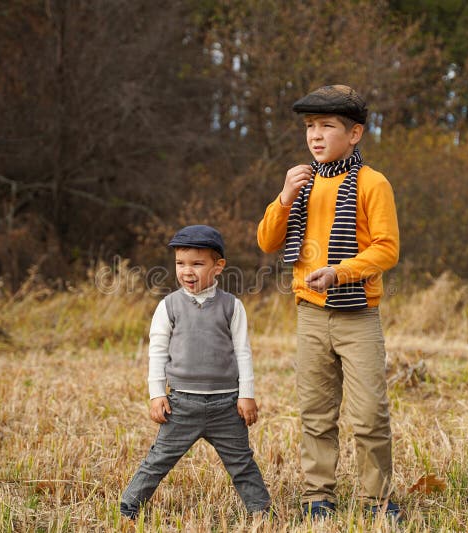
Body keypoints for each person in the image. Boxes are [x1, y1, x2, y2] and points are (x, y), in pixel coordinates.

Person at [257, 85, 401, 520]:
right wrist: (283, 197)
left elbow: (387, 249)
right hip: (311, 315)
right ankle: (317, 496)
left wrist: (340, 272)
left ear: (354, 133)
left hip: (358, 315)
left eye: (327, 126)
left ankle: (378, 500)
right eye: (310, 127)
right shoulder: (300, 183)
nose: (315, 136)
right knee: (315, 413)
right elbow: (266, 241)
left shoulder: (373, 183)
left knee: (370, 415)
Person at [120, 224, 271, 520]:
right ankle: (129, 507)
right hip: (182, 404)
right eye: (180, 263)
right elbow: (157, 351)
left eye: (197, 264)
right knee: (158, 459)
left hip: (226, 405)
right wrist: (155, 394)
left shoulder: (232, 307)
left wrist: (247, 395)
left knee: (241, 462)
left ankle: (261, 511)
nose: (187, 271)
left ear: (218, 267)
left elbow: (243, 352)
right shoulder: (169, 306)